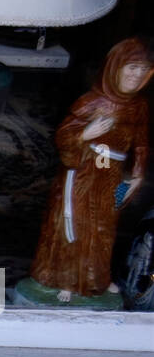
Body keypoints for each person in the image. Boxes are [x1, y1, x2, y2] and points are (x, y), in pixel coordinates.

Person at [28, 38, 152, 301]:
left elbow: (141, 143)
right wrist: (85, 133)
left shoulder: (139, 106)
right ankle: (66, 278)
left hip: (112, 173)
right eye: (131, 67)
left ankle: (96, 279)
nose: (137, 75)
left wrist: (138, 174)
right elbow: (63, 135)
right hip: (85, 172)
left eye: (143, 69)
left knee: (104, 228)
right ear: (115, 68)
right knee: (76, 225)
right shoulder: (92, 102)